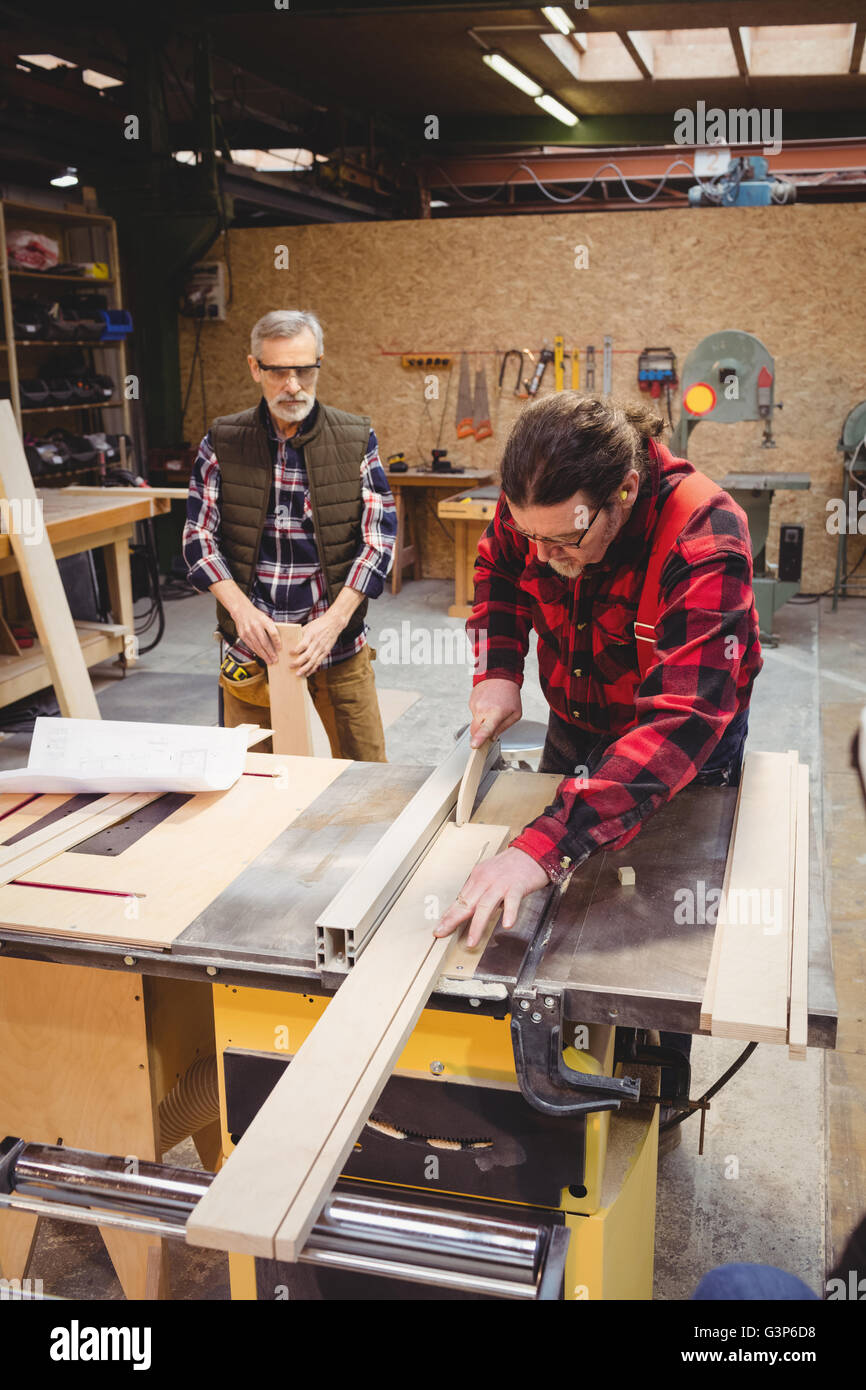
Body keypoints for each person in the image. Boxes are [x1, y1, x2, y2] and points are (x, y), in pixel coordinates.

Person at [433, 393, 763, 1121]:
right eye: (534, 536)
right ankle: (556, 1070)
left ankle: (651, 1102)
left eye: (565, 543)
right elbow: (499, 569)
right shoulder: (538, 507)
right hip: (578, 723)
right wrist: (497, 666)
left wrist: (539, 846)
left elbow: (681, 721)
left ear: (624, 493)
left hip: (682, 754)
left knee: (651, 943)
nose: (545, 556)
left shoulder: (707, 535)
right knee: (557, 925)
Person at [183, 309, 397, 760]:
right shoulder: (222, 440)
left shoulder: (356, 437)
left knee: (367, 777)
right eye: (278, 371)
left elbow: (378, 541)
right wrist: (242, 615)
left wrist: (333, 622)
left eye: (304, 369)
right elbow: (199, 539)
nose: (293, 385)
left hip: (335, 642)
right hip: (251, 648)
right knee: (253, 781)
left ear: (319, 362)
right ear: (254, 367)